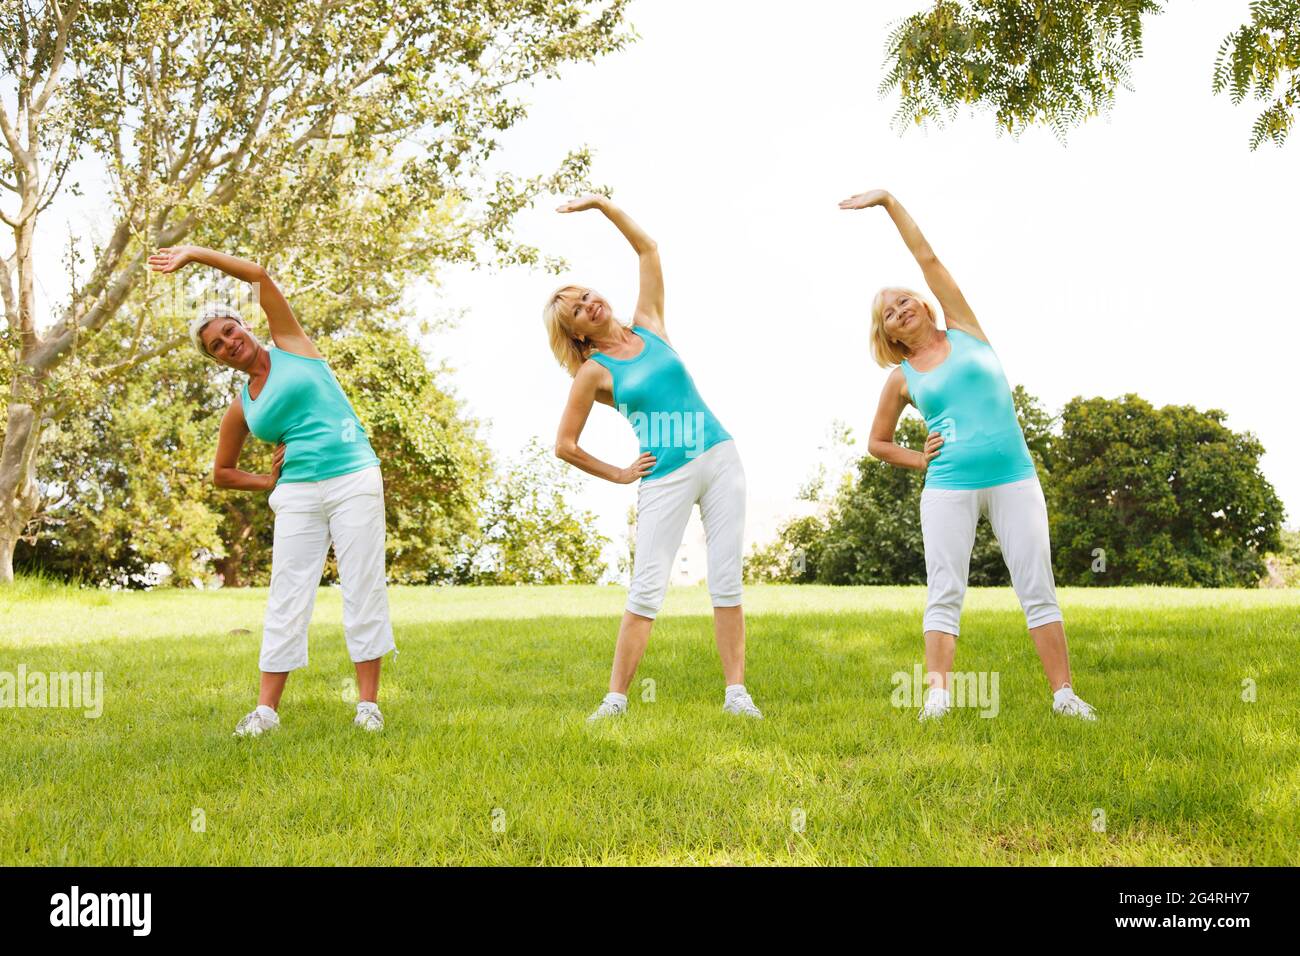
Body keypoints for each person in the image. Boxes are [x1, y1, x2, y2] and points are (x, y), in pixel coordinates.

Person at [842, 189, 1096, 722]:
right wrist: (920, 459)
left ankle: (1064, 695)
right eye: (888, 313)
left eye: (904, 300)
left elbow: (927, 258)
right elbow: (877, 443)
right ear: (886, 333)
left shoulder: (966, 329)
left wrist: (888, 203)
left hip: (1014, 477)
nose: (900, 310)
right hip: (949, 487)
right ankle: (937, 697)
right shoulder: (901, 378)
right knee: (945, 588)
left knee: (1036, 583)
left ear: (925, 304)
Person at [148, 245, 395, 735]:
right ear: (216, 359)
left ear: (243, 326)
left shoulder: (293, 345)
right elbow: (221, 472)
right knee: (287, 594)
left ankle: (367, 705)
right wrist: (267, 481)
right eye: (216, 346)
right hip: (297, 495)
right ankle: (265, 712)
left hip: (353, 477)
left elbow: (259, 275)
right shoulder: (242, 408)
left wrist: (195, 255)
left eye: (228, 331)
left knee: (362, 585)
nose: (227, 343)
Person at [541, 195, 761, 721]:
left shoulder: (650, 325)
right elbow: (565, 445)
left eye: (588, 294)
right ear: (575, 331)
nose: (589, 304)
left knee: (727, 579)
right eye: (577, 309)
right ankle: (615, 700)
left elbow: (648, 248)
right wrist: (618, 473)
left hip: (721, 456)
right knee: (647, 589)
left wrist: (601, 205)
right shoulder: (592, 373)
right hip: (663, 475)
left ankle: (737, 694)